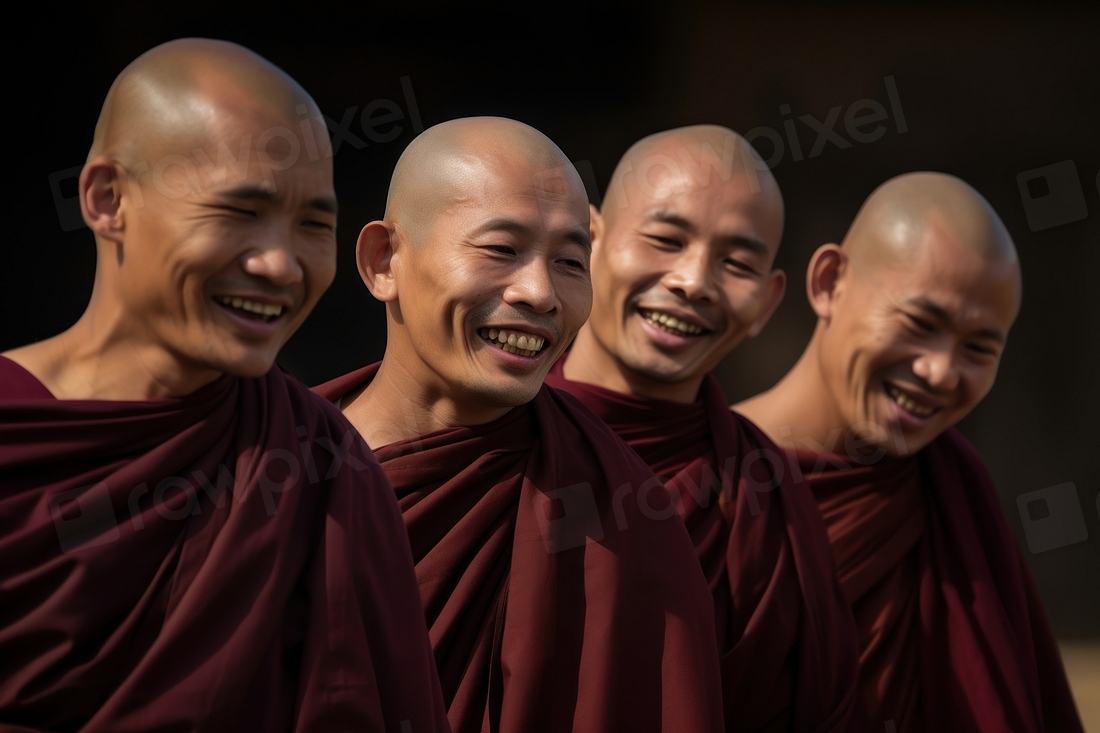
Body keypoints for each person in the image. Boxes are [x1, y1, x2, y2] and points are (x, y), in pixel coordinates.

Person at [0, 39, 447, 733]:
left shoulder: (323, 466)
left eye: (313, 225)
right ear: (107, 199)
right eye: (239, 212)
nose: (280, 264)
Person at [315, 116, 724, 733]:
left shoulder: (618, 511)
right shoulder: (268, 473)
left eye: (569, 262)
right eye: (500, 250)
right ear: (384, 261)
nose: (540, 293)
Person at [736, 172, 1084, 732]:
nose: (940, 371)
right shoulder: (708, 485)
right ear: (828, 283)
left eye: (979, 348)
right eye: (920, 322)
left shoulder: (954, 493)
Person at [546, 125, 861, 732]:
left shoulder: (766, 499)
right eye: (666, 238)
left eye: (737, 263)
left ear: (768, 304)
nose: (693, 282)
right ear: (589, 241)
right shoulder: (496, 438)